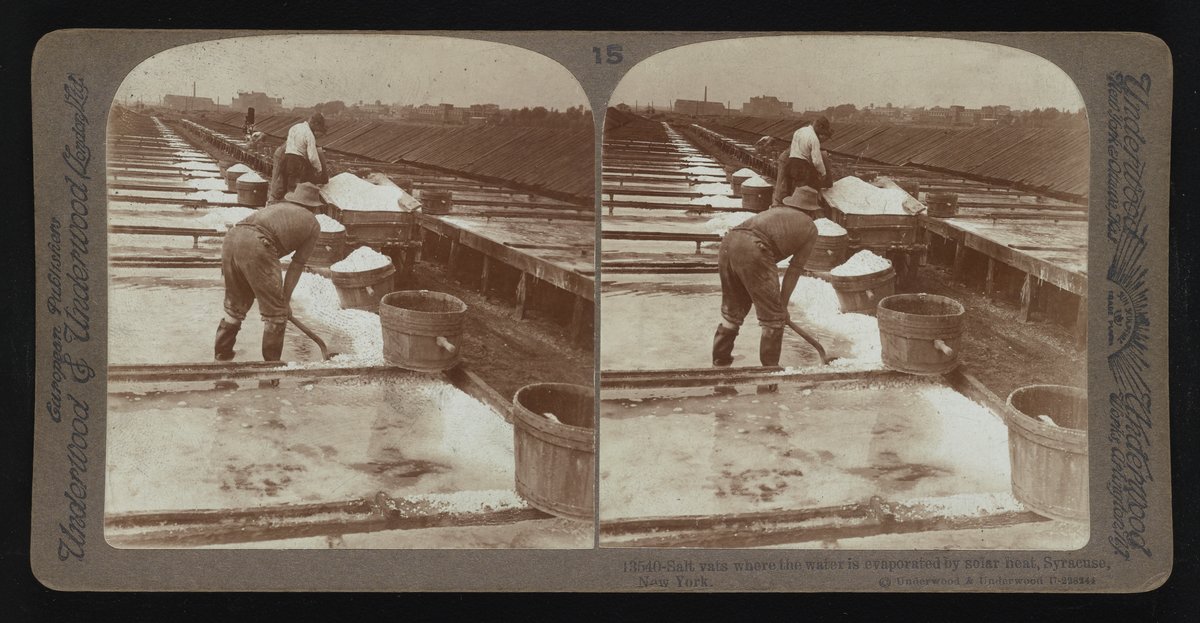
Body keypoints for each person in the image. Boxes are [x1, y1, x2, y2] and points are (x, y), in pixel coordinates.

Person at [214, 182, 323, 362]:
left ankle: (221, 357)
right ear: (314, 207)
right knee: (276, 315)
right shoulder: (313, 223)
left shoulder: (278, 207)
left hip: (232, 237)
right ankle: (270, 370)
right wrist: (284, 302)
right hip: (258, 243)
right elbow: (297, 264)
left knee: (234, 307)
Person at [712, 201, 819, 368]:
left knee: (732, 311)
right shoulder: (810, 227)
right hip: (755, 248)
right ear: (813, 211)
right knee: (773, 319)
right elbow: (794, 270)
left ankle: (720, 362)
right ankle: (769, 374)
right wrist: (781, 306)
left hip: (729, 241)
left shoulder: (776, 210)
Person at [771, 116, 834, 206]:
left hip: (790, 162)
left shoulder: (800, 131)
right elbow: (817, 161)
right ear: (820, 127)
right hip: (800, 165)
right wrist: (823, 173)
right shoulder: (814, 138)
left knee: (786, 190)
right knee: (806, 187)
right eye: (823, 132)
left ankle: (781, 205)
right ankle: (808, 205)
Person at [268, 113, 328, 202]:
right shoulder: (309, 134)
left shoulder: (295, 127)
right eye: (318, 127)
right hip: (296, 162)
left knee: (282, 185)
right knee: (293, 189)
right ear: (315, 124)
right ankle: (290, 208)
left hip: (286, 158)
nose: (317, 130)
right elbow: (312, 157)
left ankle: (275, 204)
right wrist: (319, 169)